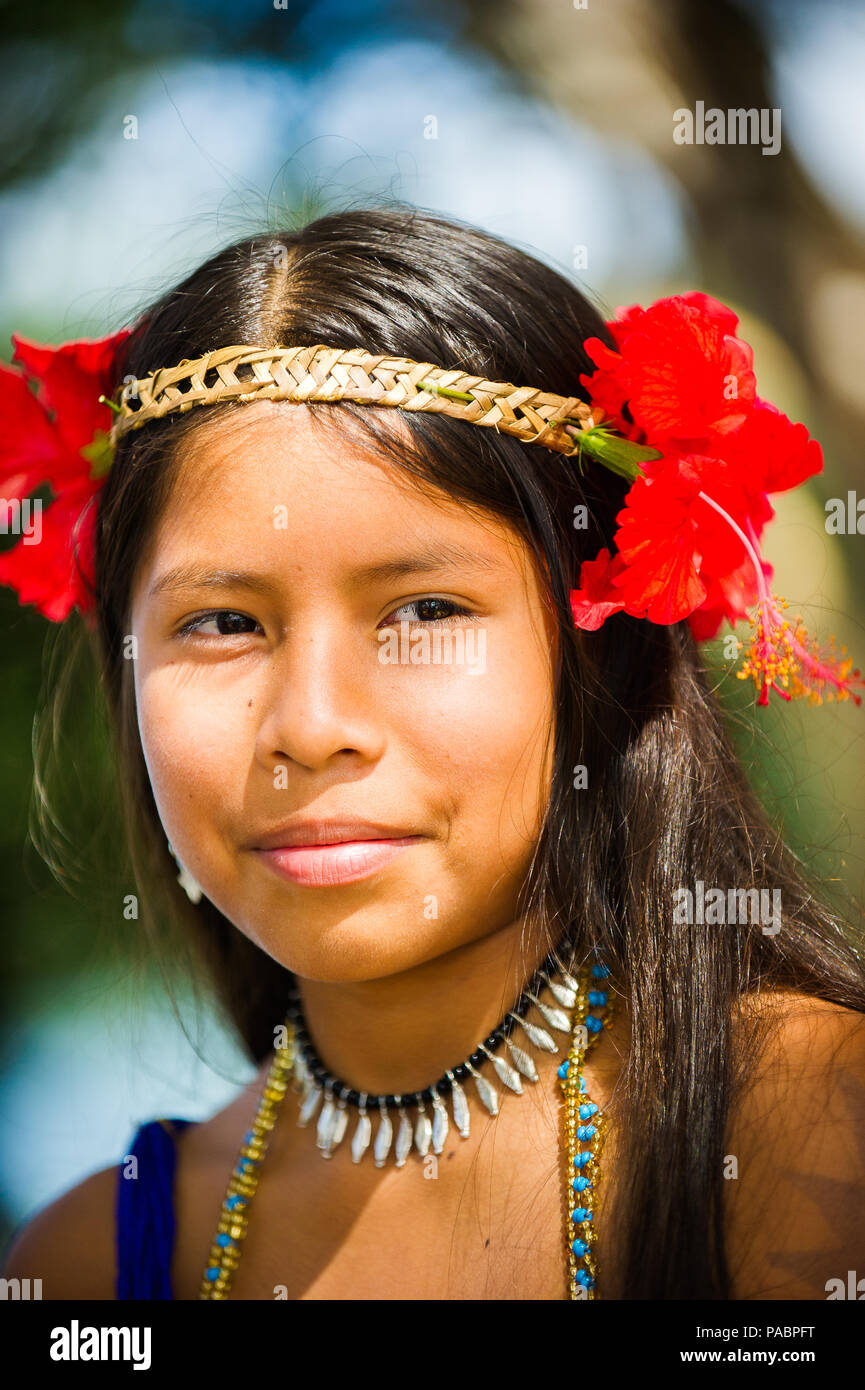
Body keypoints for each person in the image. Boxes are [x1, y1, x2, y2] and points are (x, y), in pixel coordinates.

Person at [2, 206, 864, 1301]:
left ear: (592, 643)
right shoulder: (90, 1264)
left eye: (423, 609)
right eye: (222, 623)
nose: (311, 725)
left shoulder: (823, 1139)